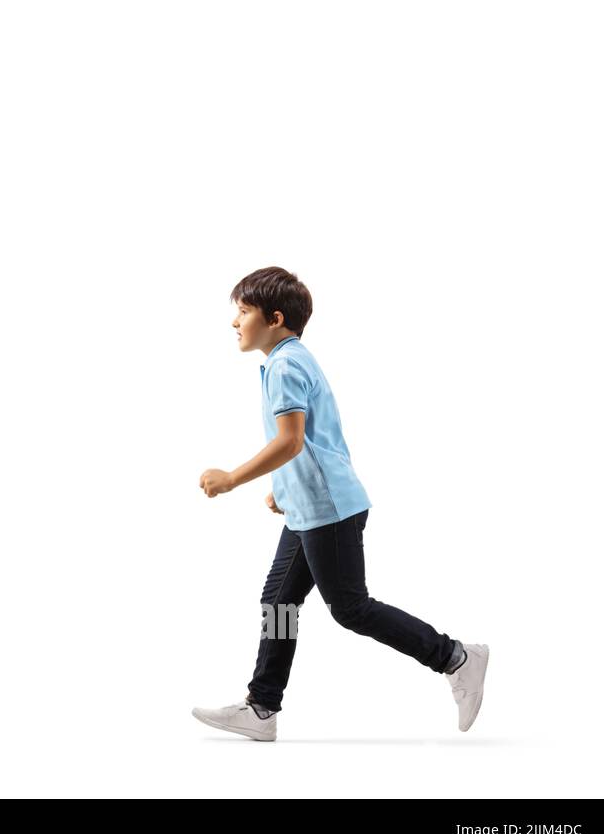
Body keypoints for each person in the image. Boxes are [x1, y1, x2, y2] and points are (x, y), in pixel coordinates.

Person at [191, 266, 486, 741]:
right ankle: (262, 706)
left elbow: (290, 442)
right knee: (279, 601)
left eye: (243, 311)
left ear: (276, 318)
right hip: (310, 507)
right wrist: (284, 489)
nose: (235, 322)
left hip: (328, 512)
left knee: (351, 608)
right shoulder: (289, 359)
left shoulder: (286, 365)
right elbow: (315, 441)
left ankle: (456, 656)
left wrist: (231, 478)